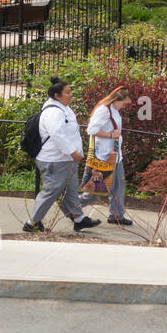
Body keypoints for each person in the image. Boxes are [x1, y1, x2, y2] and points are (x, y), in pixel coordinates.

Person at [23, 77, 102, 233]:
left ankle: (79, 219)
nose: (71, 95)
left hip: (66, 160)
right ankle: (32, 222)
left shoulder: (63, 109)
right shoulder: (54, 112)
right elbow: (57, 134)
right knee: (52, 191)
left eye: (70, 91)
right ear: (57, 96)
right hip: (55, 160)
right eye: (67, 92)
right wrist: (72, 152)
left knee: (70, 191)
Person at [83, 86, 134, 225]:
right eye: (123, 103)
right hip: (103, 157)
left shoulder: (115, 111)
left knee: (118, 187)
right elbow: (91, 130)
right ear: (117, 100)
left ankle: (116, 215)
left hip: (115, 156)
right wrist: (111, 135)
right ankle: (71, 208)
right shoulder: (104, 110)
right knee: (94, 192)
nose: (124, 106)